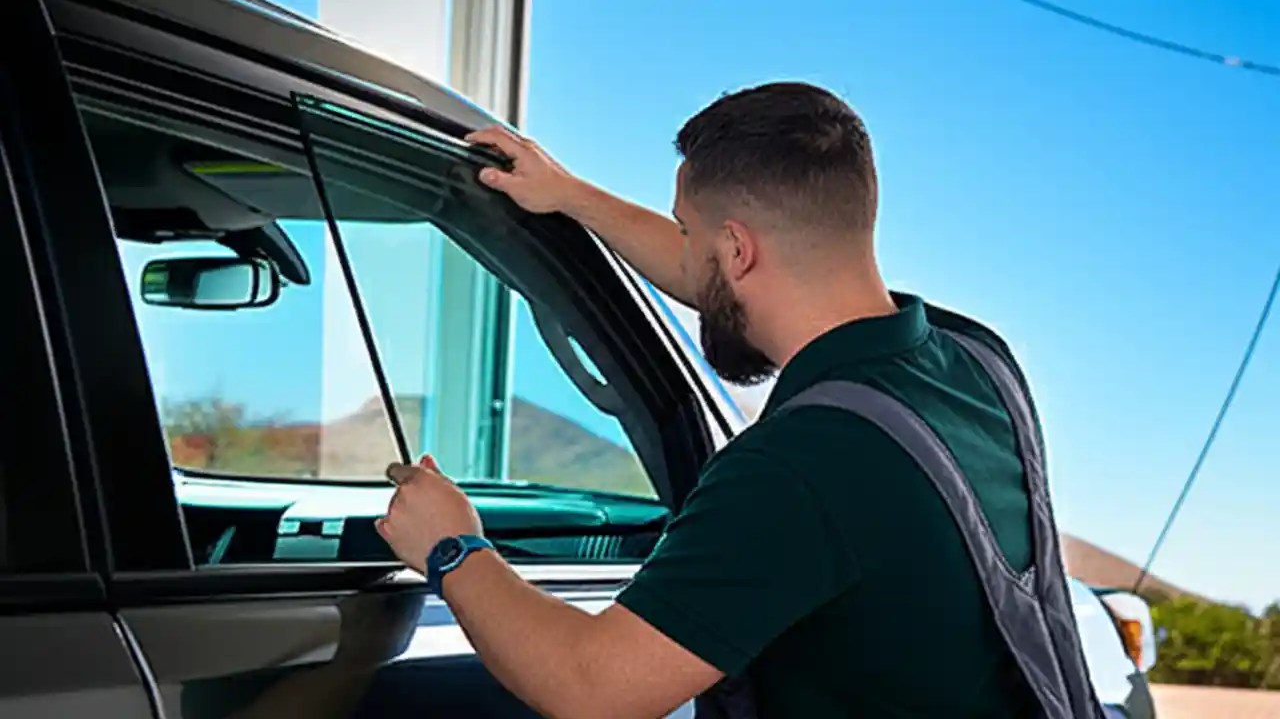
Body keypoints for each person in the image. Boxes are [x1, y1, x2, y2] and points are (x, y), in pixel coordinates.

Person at [377, 81, 1099, 718]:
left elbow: (588, 687)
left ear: (738, 249)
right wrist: (571, 196)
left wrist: (453, 547)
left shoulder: (801, 465)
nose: (684, 257)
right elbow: (727, 284)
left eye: (689, 234)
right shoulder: (973, 359)